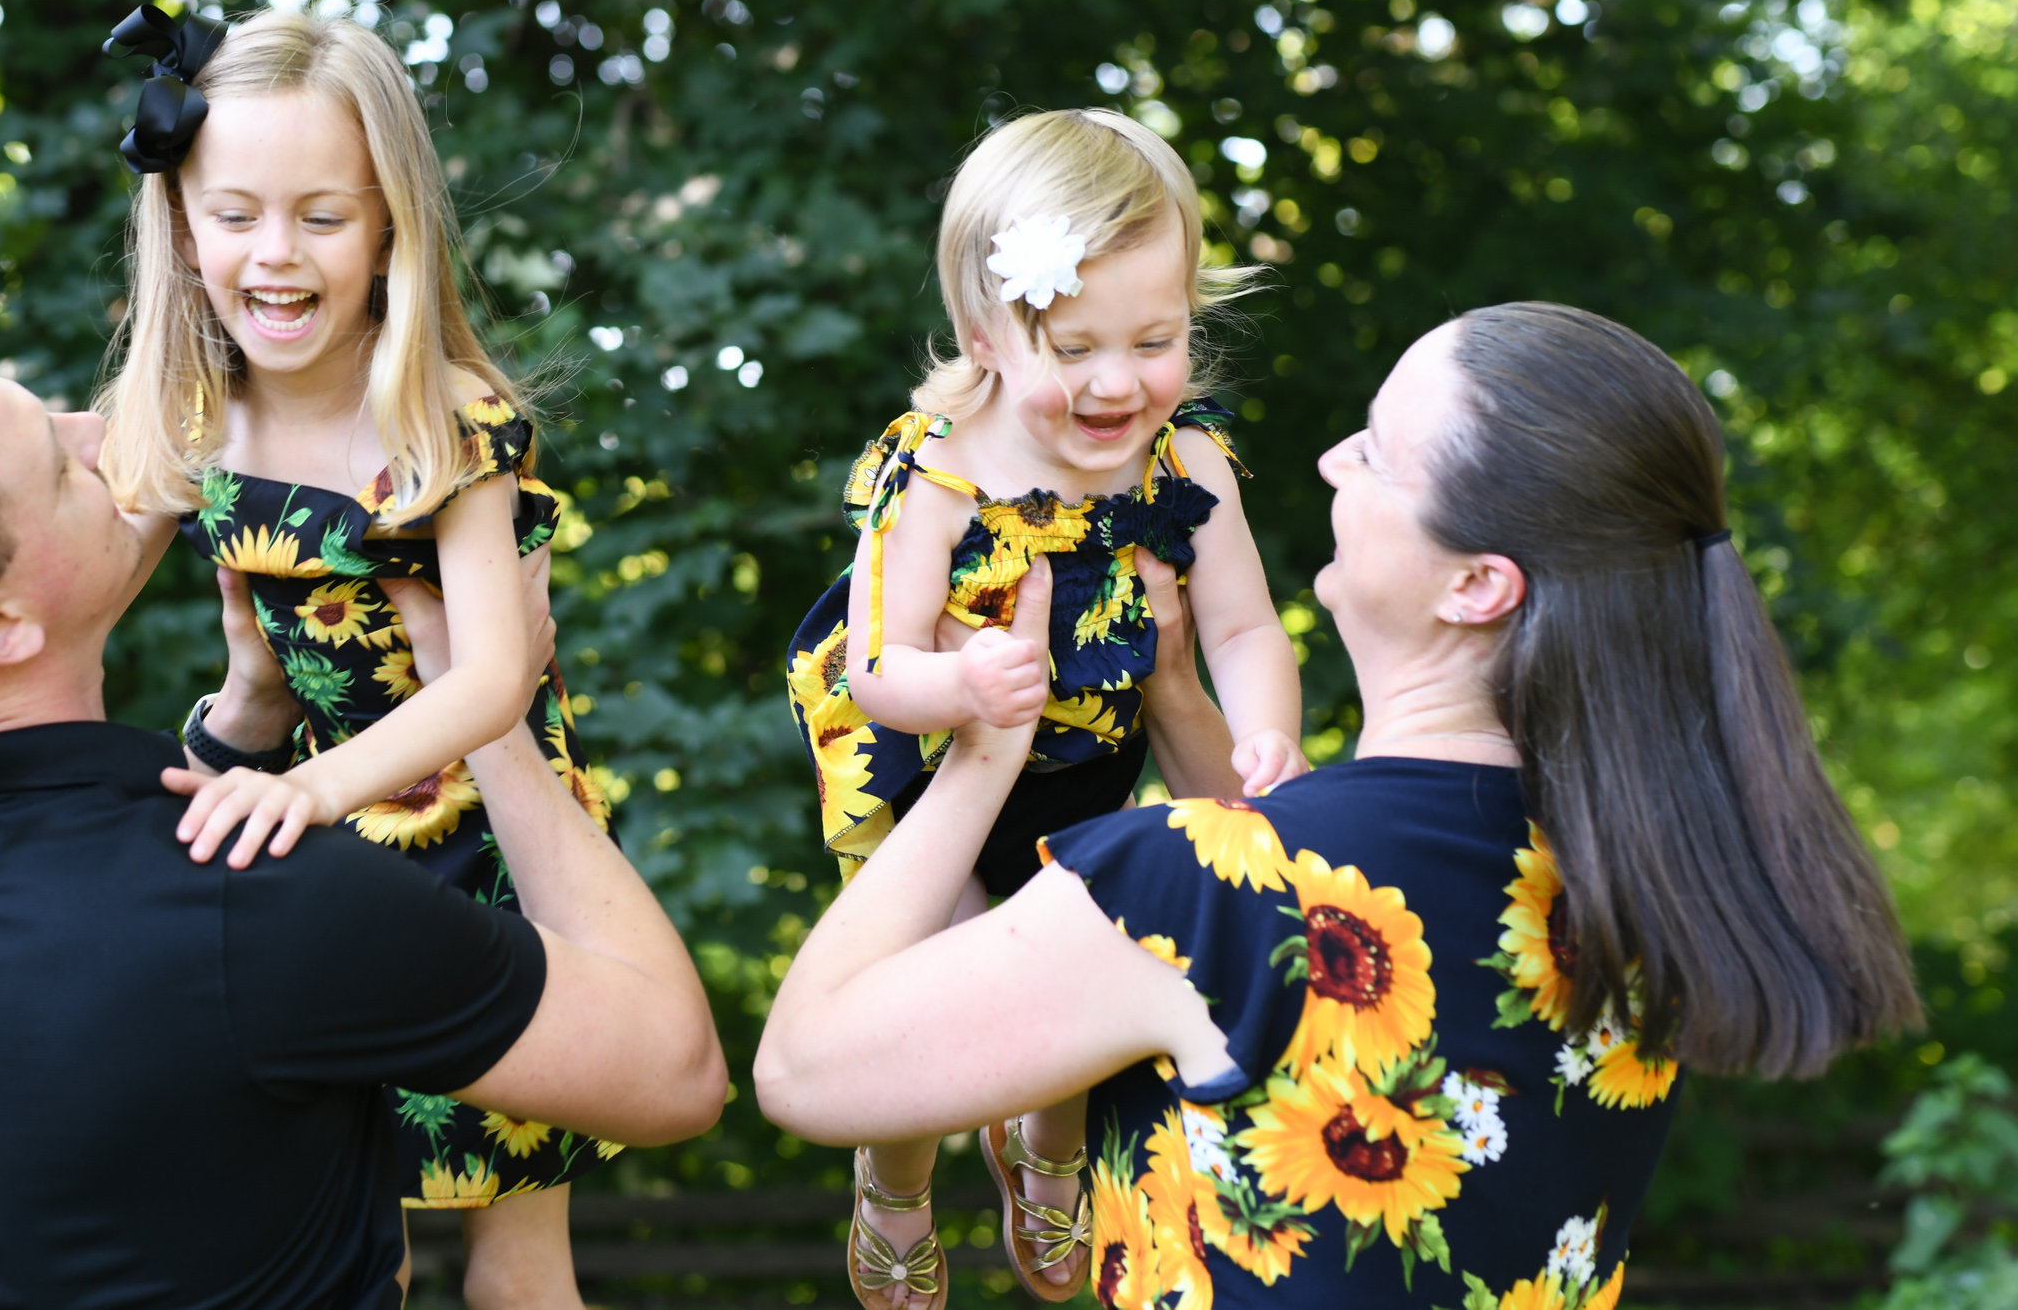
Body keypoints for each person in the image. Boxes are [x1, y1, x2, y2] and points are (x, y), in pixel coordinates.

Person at [756, 302, 1921, 1310]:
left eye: (1375, 452)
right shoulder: (1647, 894)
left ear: (1475, 583)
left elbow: (807, 1069)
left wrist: (982, 753)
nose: (1328, 460)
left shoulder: (1202, 887)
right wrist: (1172, 690)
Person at [0, 354, 724, 1310]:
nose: (95, 431)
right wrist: (488, 709)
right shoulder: (256, 898)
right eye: (55, 459)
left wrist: (244, 724)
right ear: (2, 622)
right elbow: (675, 1071)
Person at [86, 5, 624, 1282]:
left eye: (322, 216)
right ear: (178, 222)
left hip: (484, 845)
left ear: (389, 225)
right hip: (315, 862)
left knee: (514, 1250)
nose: (275, 255)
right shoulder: (184, 414)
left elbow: (493, 672)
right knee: (327, 1224)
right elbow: (3, 577)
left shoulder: (443, 419)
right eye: (234, 214)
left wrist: (309, 785)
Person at [782, 108, 1306, 1307]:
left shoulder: (1187, 462)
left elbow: (1240, 626)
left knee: (1072, 953)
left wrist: (1266, 723)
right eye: (1075, 347)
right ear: (987, 333)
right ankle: (895, 1177)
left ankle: (1048, 1155)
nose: (1119, 382)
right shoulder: (939, 472)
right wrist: (962, 686)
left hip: (1082, 753)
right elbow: (876, 660)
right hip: (921, 756)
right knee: (920, 981)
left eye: (1157, 338)